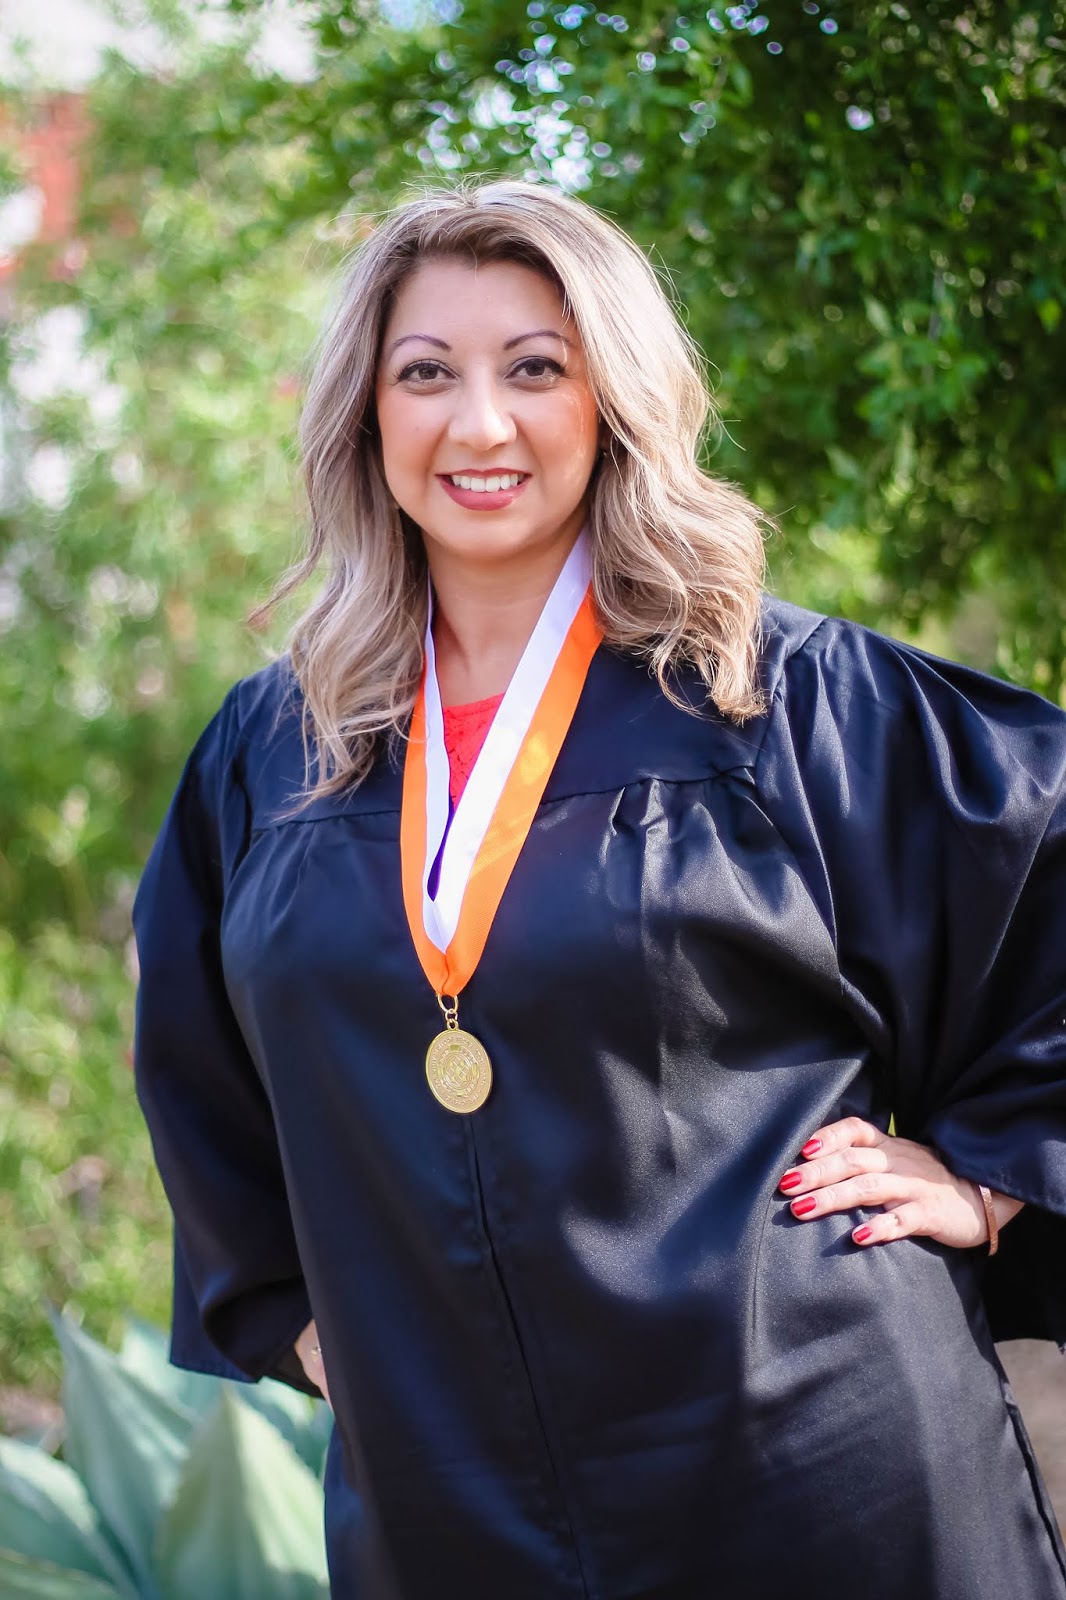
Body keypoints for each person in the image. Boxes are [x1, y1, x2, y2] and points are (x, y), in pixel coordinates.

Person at [132, 180, 1066, 1600]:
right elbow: (199, 1064)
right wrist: (298, 1318)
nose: (479, 424)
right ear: (365, 414)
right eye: (425, 373)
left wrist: (992, 1177)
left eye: (535, 369)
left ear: (613, 400)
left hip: (813, 1468)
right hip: (449, 1503)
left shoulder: (774, 698)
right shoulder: (278, 749)